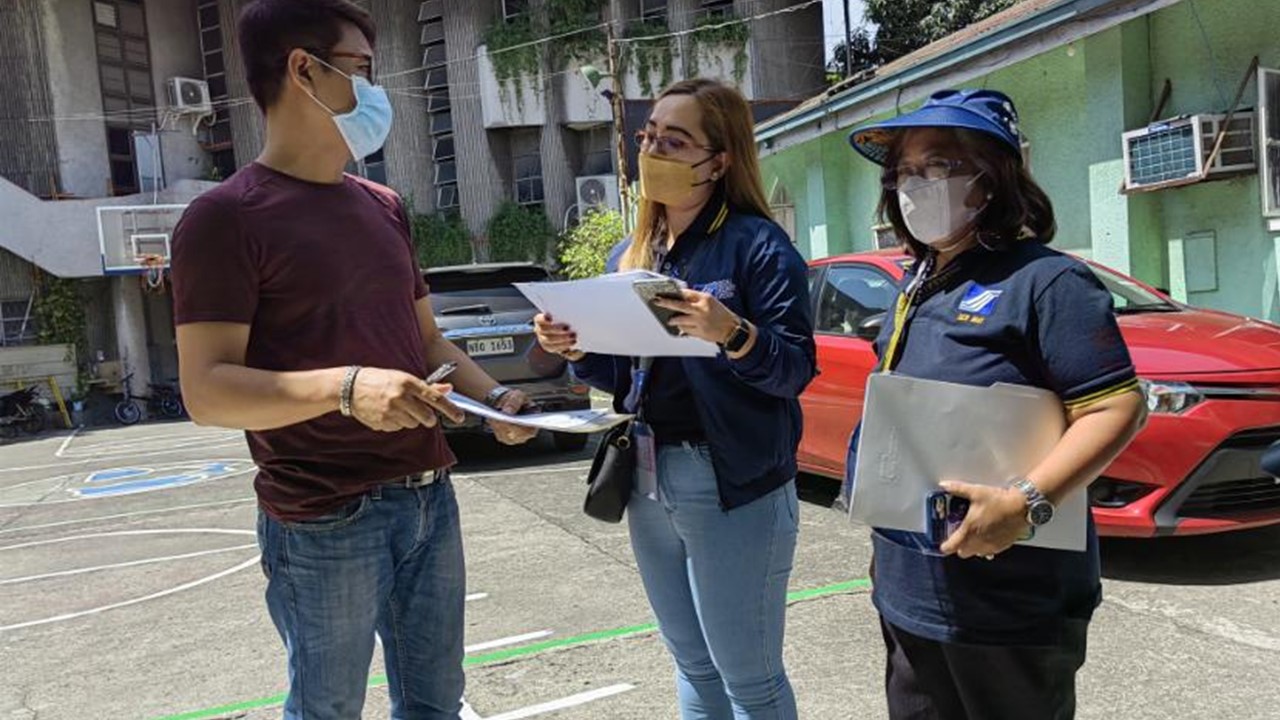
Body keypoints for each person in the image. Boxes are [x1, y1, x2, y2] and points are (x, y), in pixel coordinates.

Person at [170, 1, 538, 717]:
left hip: (429, 494)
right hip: (324, 514)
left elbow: (427, 341)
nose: (376, 93)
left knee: (437, 704)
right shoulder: (224, 218)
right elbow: (207, 390)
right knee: (327, 708)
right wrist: (346, 388)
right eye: (362, 71)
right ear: (303, 70)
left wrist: (495, 401)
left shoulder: (383, 205)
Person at [844, 89, 1148, 720]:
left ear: (993, 177)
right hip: (909, 594)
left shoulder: (1047, 282)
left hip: (1010, 607)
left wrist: (1024, 504)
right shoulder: (919, 281)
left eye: (938, 166)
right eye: (903, 170)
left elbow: (1117, 407)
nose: (913, 184)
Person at [535, 78, 817, 720]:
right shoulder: (631, 253)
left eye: (675, 139)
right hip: (648, 473)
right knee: (692, 666)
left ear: (718, 160)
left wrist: (733, 332)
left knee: (749, 678)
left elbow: (795, 369)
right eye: (649, 136)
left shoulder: (758, 246)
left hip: (731, 480)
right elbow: (626, 374)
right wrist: (576, 347)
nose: (653, 149)